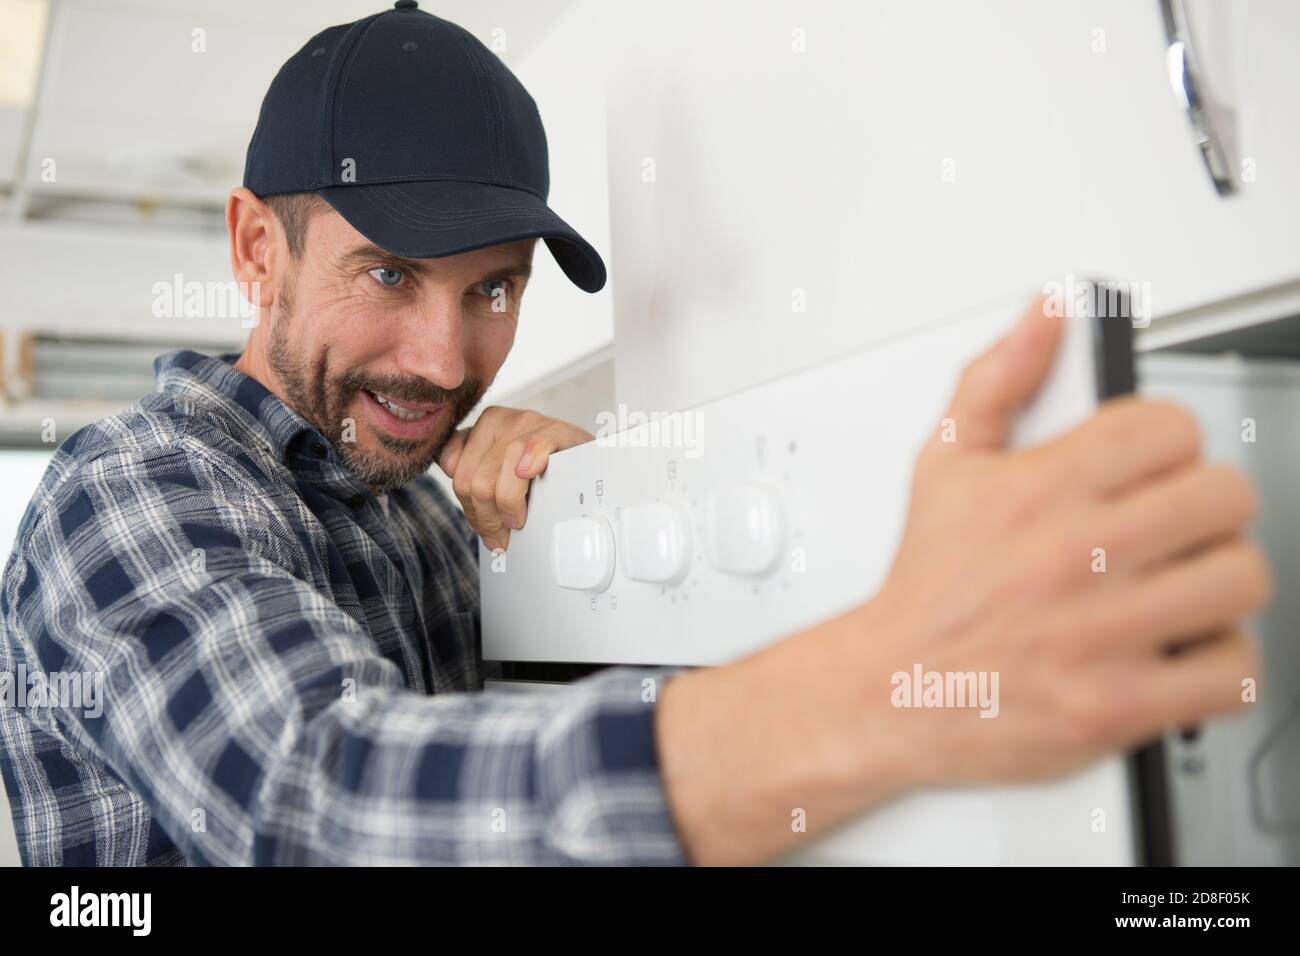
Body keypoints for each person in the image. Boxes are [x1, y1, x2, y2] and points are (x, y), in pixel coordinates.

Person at [0, 2, 1268, 866]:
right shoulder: (127, 492)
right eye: (389, 274)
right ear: (253, 247)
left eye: (491, 288)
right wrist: (886, 685)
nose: (446, 361)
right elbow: (318, 804)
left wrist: (557, 563)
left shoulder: (423, 511)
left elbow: (505, 778)